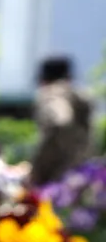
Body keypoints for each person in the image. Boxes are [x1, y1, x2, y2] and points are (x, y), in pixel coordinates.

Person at [30, 56, 92, 186]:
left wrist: (37, 172)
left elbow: (59, 123)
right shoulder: (78, 96)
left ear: (44, 80)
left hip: (56, 181)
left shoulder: (51, 94)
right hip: (82, 178)